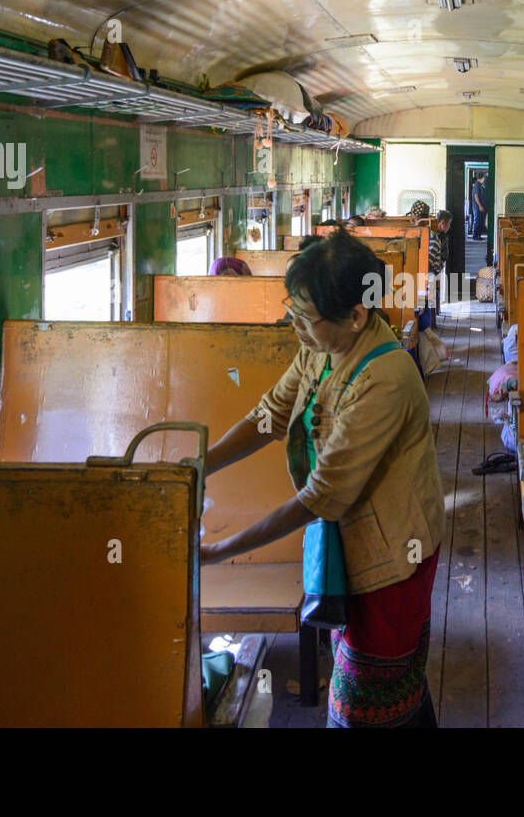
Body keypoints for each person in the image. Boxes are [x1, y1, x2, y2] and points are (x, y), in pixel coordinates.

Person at [200, 230, 445, 728]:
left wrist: (217, 554)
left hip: (392, 557)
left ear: (357, 315)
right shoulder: (322, 347)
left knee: (366, 702)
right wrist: (197, 467)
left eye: (304, 317)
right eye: (293, 309)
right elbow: (270, 414)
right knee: (387, 691)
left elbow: (323, 497)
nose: (295, 326)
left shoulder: (387, 378)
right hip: (345, 546)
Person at [470, 175, 487, 240]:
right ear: (482, 178)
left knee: (480, 221)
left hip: (480, 206)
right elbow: (476, 196)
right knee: (477, 220)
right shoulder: (477, 185)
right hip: (477, 207)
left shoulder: (480, 185)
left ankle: (478, 236)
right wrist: (480, 205)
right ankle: (475, 236)